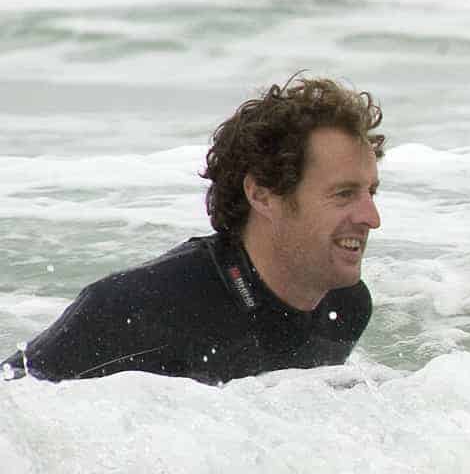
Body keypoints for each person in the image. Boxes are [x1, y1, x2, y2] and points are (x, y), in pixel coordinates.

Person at [2, 78, 385, 384]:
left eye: (371, 192)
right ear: (262, 194)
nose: (371, 216)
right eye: (343, 194)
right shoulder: (138, 310)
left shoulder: (345, 306)